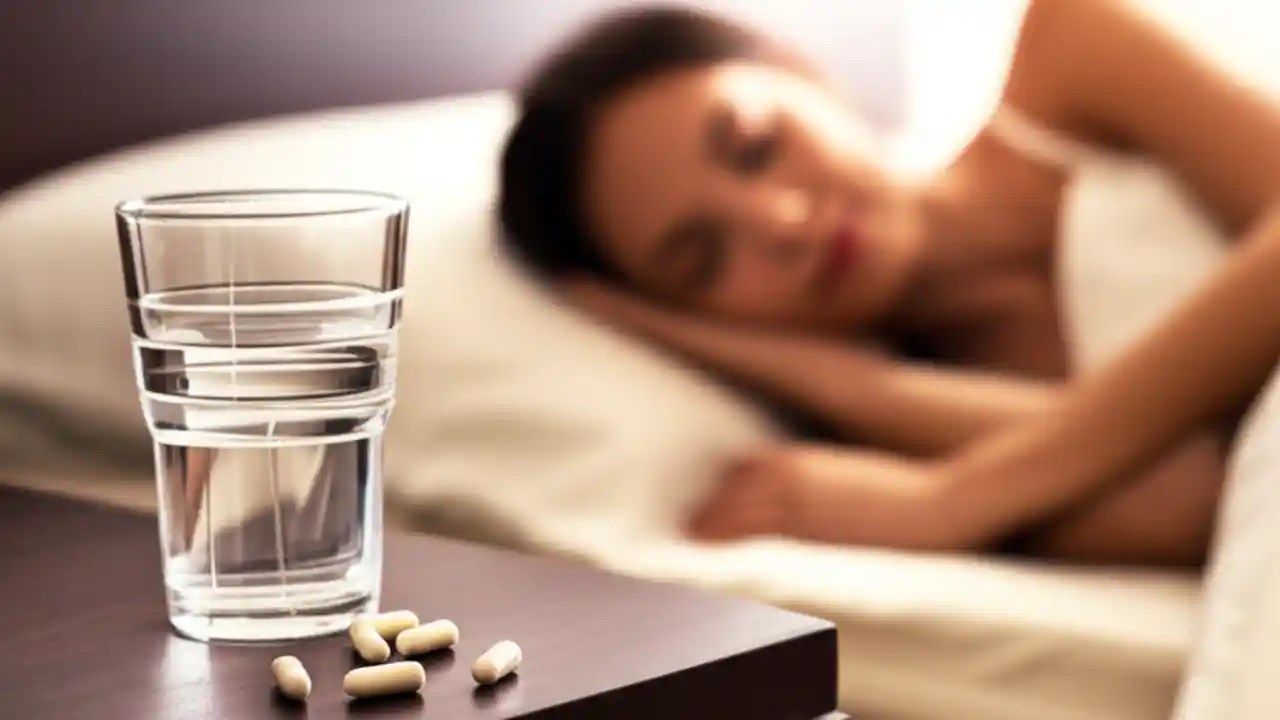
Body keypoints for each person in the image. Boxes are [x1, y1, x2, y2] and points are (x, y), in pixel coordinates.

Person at [498, 0, 1280, 566]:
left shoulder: (1071, 45)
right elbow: (1204, 501)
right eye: (701, 261)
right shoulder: (915, 432)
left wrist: (952, 499)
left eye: (755, 146)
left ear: (797, 67)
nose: (785, 222)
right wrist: (860, 392)